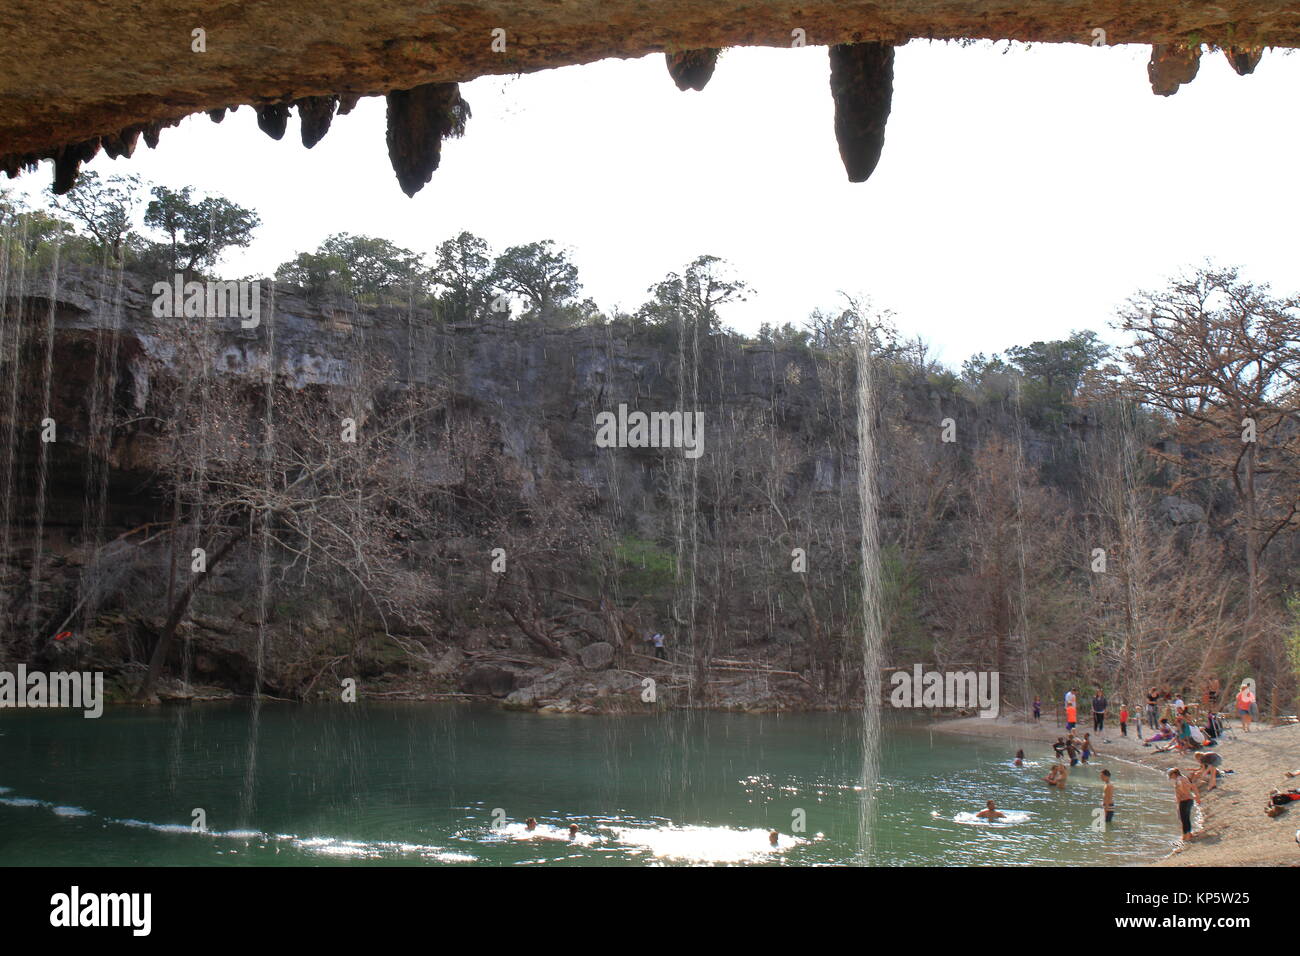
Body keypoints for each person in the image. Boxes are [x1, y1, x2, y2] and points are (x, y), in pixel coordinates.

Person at [1169, 768, 1200, 841]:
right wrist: (1197, 796)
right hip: (1190, 799)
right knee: (1186, 818)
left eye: (1171, 776)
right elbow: (1193, 786)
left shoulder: (1178, 780)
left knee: (1183, 819)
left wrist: (1181, 796)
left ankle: (1185, 835)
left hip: (1184, 800)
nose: (1171, 778)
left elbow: (1181, 788)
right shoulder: (1185, 778)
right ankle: (1188, 834)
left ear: (1174, 774)